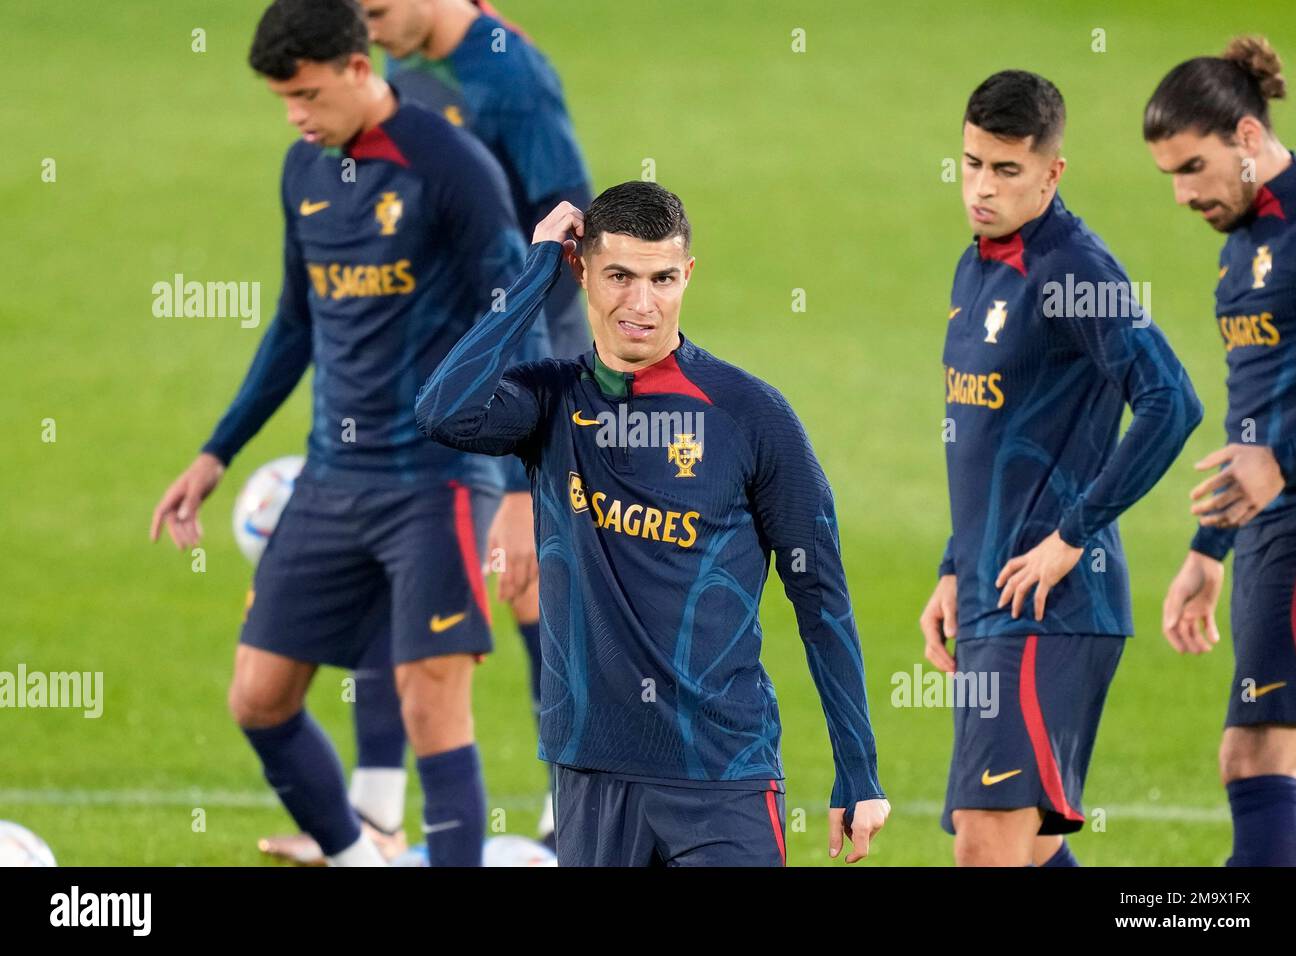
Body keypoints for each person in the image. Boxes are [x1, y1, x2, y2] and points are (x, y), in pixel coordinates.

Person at [149, 0, 545, 866]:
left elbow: (520, 323)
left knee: (432, 707)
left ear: (360, 70)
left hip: (437, 481)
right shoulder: (304, 170)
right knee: (258, 699)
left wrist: (519, 493)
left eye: (307, 93)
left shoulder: (452, 169)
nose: (296, 114)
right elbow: (294, 325)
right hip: (331, 480)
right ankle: (364, 858)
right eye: (282, 99)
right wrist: (219, 451)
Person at [415, 182, 890, 866]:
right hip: (591, 770)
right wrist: (536, 272)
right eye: (619, 277)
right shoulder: (550, 402)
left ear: (687, 275)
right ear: (581, 271)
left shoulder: (750, 415)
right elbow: (442, 411)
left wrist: (859, 767)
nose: (642, 304)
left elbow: (820, 596)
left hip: (724, 774)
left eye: (663, 278)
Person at [259, 0, 593, 863]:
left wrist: (524, 416)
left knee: (528, 584)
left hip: (519, 364)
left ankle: (577, 808)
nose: (364, 30)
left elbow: (568, 238)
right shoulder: (396, 73)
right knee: (414, 607)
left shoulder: (506, 73)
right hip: (433, 385)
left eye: (375, 10)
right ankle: (377, 815)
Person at [920, 70, 1202, 866]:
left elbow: (1171, 401)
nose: (982, 187)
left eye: (1007, 170)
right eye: (972, 163)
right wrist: (953, 566)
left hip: (1052, 605)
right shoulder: (976, 265)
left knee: (986, 845)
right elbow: (985, 438)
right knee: (1027, 851)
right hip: (990, 594)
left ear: (1053, 172)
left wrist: (1074, 534)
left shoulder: (1074, 268)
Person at [1146, 35, 1296, 866]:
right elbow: (1252, 417)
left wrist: (1287, 459)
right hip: (1272, 529)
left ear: (1246, 137)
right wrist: (1210, 549)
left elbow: (1276, 443)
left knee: (1257, 752)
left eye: (1192, 168)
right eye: (1169, 175)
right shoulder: (1239, 250)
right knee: (1256, 753)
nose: (1180, 194)